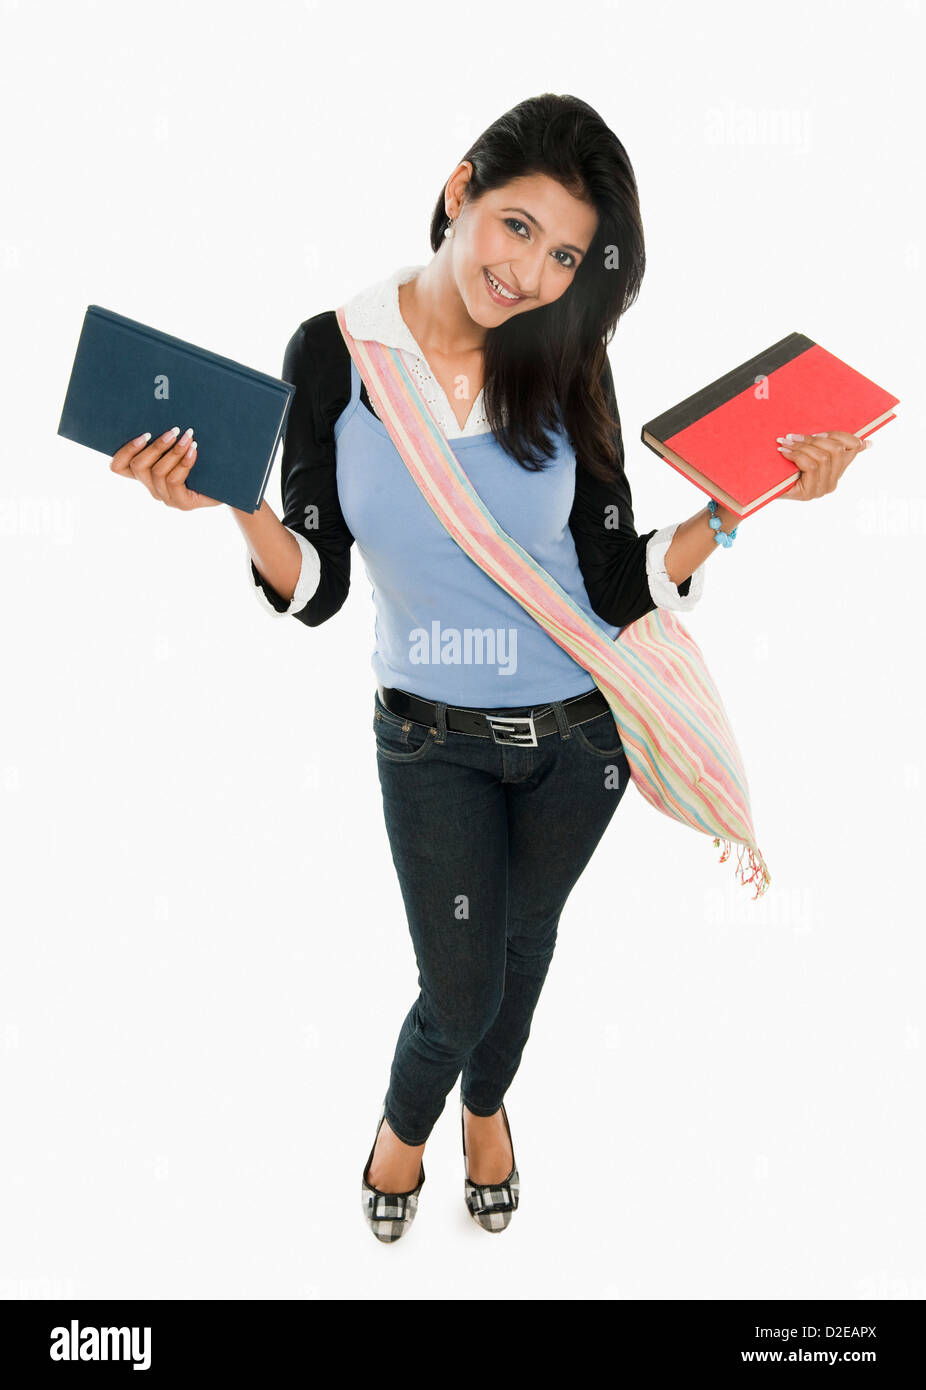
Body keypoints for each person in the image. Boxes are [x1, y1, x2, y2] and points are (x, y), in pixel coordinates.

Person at [109, 93, 864, 1242]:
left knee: (522, 950)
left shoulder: (566, 356)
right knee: (458, 986)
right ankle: (403, 1129)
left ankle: (489, 1103)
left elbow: (613, 581)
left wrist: (737, 504)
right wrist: (236, 503)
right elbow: (315, 586)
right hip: (429, 743)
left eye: (564, 254)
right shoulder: (333, 353)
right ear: (459, 190)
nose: (532, 274)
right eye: (516, 227)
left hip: (581, 741)